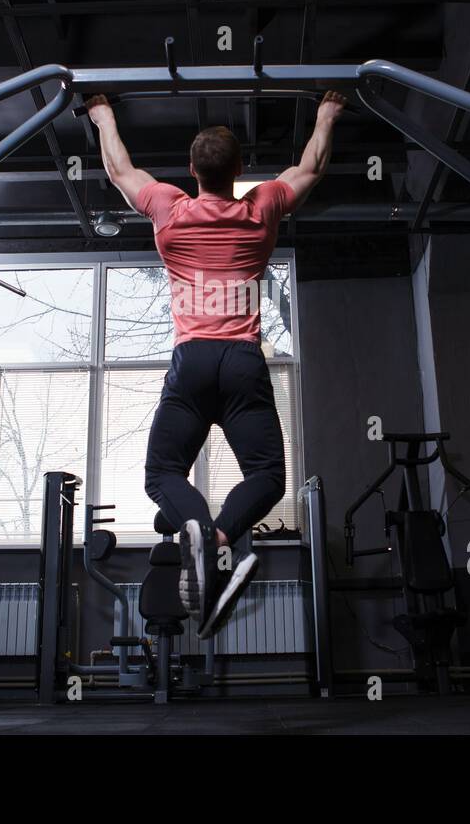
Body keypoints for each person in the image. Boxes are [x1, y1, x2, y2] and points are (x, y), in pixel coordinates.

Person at [85, 91, 347, 637]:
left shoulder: (168, 209)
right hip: (243, 362)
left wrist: (102, 115)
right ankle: (219, 536)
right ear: (240, 171)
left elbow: (118, 169)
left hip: (192, 362)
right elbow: (313, 166)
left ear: (190, 171)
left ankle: (200, 533)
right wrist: (326, 115)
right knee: (270, 477)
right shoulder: (262, 207)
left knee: (161, 474)